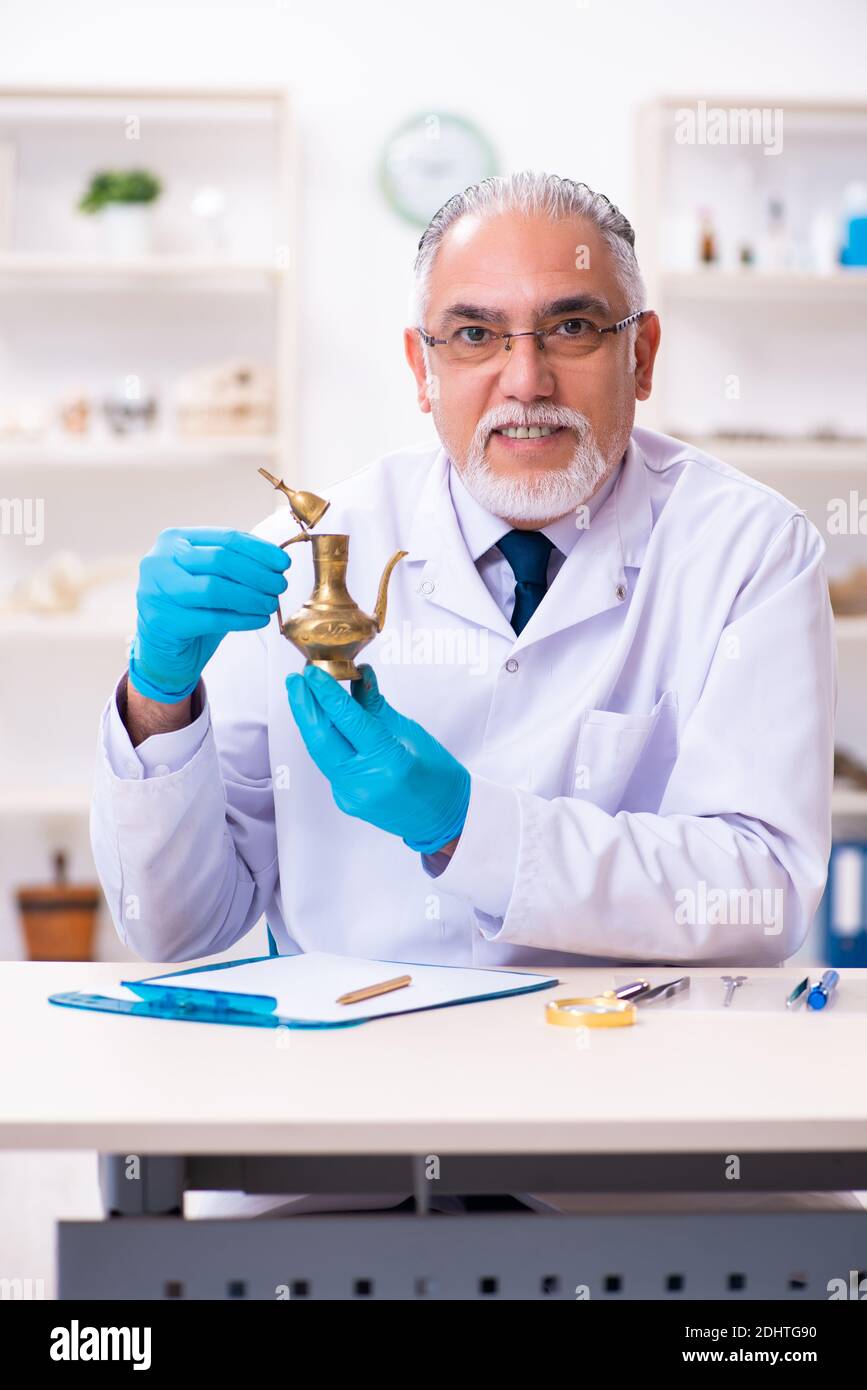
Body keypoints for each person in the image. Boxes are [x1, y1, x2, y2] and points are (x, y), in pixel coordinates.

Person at [91, 171, 853, 1218]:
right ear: (421, 365)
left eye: (572, 327)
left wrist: (470, 827)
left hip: (650, 1130)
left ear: (642, 357)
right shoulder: (308, 559)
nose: (524, 378)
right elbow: (175, 929)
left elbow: (761, 890)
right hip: (344, 1127)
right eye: (474, 334)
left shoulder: (749, 549)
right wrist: (157, 694)